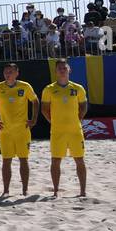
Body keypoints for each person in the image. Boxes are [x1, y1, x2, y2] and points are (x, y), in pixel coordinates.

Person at [0, 62, 39, 196]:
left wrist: (34, 119)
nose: (7, 74)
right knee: (6, 161)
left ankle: (25, 189)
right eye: (6, 72)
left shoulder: (25, 86)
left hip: (22, 129)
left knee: (23, 159)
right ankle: (6, 190)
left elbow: (35, 101)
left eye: (10, 72)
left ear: (17, 73)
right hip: (5, 131)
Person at [42, 59, 88, 197]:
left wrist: (77, 118)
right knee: (55, 160)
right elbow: (45, 110)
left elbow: (84, 106)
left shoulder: (78, 88)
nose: (62, 70)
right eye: (59, 68)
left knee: (79, 159)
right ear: (55, 71)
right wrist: (53, 121)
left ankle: (82, 191)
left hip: (75, 130)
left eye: (64, 68)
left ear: (69, 70)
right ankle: (55, 191)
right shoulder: (49, 89)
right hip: (57, 131)